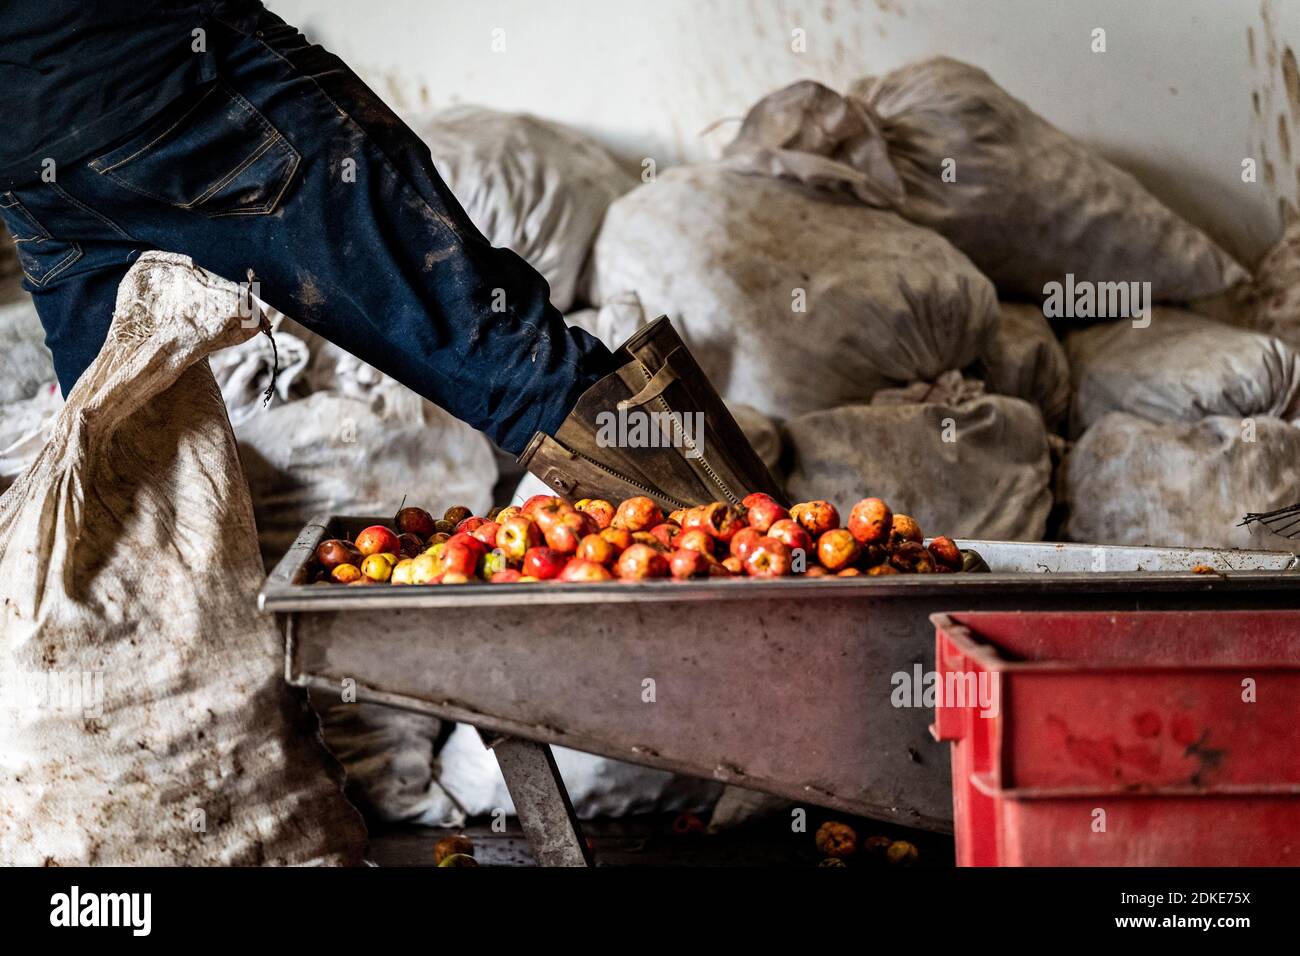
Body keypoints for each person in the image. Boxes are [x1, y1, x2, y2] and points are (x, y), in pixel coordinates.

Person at [0, 1, 784, 506]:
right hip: (177, 83)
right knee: (506, 358)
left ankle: (158, 709)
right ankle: (771, 578)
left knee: (120, 468)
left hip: (33, 167)